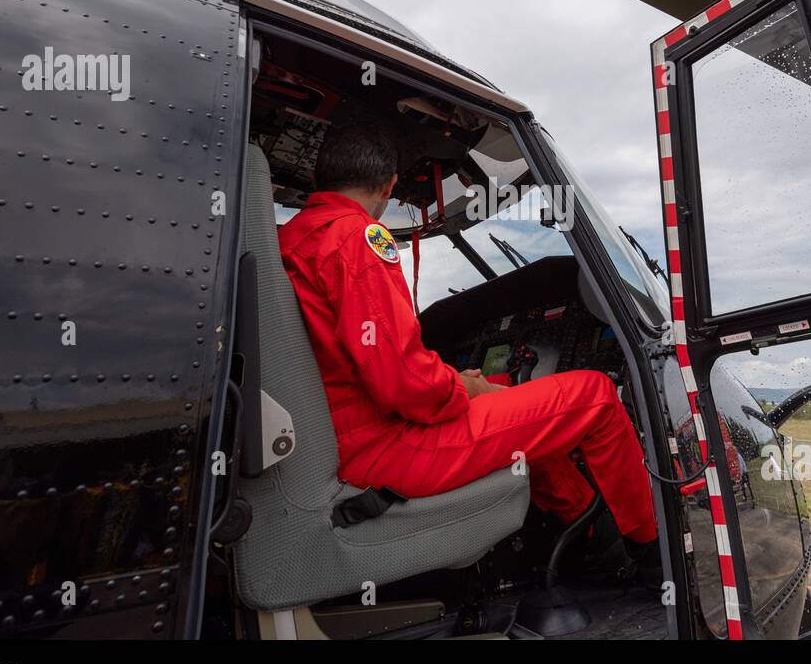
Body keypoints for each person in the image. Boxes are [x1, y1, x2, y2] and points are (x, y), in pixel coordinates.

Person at [278, 121, 661, 580]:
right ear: (389, 185)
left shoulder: (290, 238)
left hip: (332, 440)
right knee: (596, 397)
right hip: (383, 447)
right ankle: (649, 550)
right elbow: (404, 385)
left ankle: (586, 534)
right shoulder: (354, 239)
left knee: (514, 398)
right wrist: (463, 388)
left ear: (321, 179)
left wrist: (468, 385)